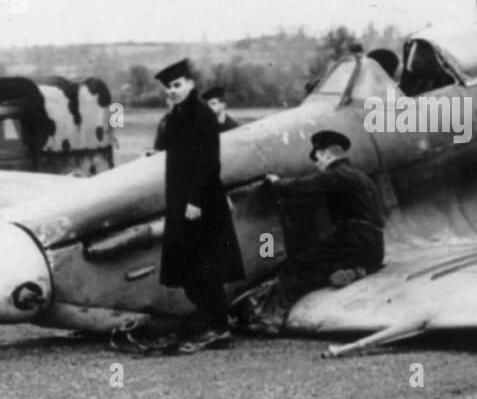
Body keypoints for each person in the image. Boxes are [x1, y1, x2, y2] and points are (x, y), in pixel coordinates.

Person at [247, 130, 386, 336]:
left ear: (329, 155)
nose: (316, 163)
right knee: (322, 261)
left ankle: (269, 320)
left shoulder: (337, 175)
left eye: (318, 157)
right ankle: (356, 269)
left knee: (299, 265)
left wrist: (276, 183)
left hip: (353, 238)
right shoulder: (359, 176)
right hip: (375, 246)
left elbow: (304, 186)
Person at [153, 59, 245, 347]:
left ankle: (218, 327)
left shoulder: (201, 115)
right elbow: (164, 147)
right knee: (189, 269)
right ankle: (215, 322)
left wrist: (195, 200)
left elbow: (209, 162)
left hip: (200, 203)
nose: (174, 90)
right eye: (169, 87)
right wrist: (170, 111)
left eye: (178, 84)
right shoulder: (180, 113)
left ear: (191, 84)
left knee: (204, 269)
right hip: (182, 200)